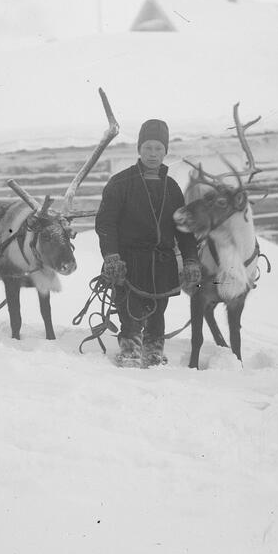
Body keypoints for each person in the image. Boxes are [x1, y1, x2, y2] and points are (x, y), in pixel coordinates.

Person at [95, 119, 201, 368]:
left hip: (161, 263)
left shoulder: (172, 188)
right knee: (130, 312)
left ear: (165, 151)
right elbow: (105, 223)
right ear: (139, 150)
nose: (153, 154)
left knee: (157, 313)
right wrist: (112, 256)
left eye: (158, 149)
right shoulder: (120, 183)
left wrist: (191, 260)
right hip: (129, 262)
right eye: (148, 148)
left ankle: (153, 353)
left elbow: (183, 230)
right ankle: (130, 352)